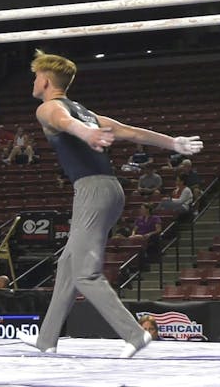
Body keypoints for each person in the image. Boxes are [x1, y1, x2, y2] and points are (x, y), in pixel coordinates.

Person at [18, 50, 202, 359]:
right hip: (110, 190)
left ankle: (134, 333)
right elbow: (131, 132)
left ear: (46, 81)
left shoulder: (49, 108)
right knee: (67, 266)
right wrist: (172, 142)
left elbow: (63, 121)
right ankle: (46, 339)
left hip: (92, 190)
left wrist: (85, 133)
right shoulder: (87, 113)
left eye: (36, 77)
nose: (34, 82)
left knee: (85, 274)